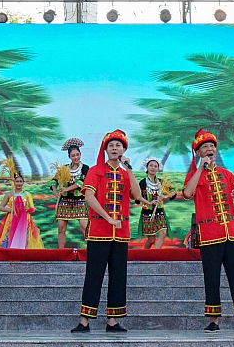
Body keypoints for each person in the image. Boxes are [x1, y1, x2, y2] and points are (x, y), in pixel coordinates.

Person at [183, 129, 234, 334]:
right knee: (211, 276)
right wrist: (200, 169)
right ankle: (213, 319)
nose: (210, 150)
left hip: (231, 233)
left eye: (212, 147)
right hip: (209, 234)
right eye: (205, 147)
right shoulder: (194, 175)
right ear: (199, 152)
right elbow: (187, 192)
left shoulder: (225, 174)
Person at [73, 129, 147, 333]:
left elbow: (137, 194)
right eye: (111, 146)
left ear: (124, 150)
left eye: (119, 146)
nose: (115, 148)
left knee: (118, 276)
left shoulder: (125, 173)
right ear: (105, 149)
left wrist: (129, 169)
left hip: (121, 234)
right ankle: (84, 321)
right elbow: (89, 197)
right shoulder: (95, 171)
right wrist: (107, 218)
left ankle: (113, 321)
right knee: (94, 275)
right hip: (98, 230)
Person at [0, 170, 44, 249]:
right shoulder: (9, 194)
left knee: (24, 237)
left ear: (23, 182)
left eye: (20, 181)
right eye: (17, 181)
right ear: (13, 182)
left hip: (24, 219)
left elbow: (32, 208)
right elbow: (1, 207)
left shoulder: (27, 194)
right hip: (11, 218)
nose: (19, 183)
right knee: (9, 235)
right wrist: (11, 210)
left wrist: (26, 209)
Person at [53, 138, 90, 249]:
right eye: (73, 155)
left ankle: (91, 252)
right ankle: (61, 252)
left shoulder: (85, 168)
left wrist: (66, 189)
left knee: (85, 227)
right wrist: (56, 192)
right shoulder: (64, 169)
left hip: (80, 201)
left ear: (80, 154)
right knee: (61, 228)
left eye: (77, 155)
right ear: (69, 156)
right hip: (64, 202)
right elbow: (53, 181)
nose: (76, 157)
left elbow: (81, 182)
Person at [138, 158, 170, 249]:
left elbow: (172, 193)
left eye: (155, 166)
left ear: (158, 169)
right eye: (151, 165)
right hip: (148, 212)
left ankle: (155, 255)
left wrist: (164, 197)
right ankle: (144, 256)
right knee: (151, 240)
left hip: (159, 211)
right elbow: (138, 197)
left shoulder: (161, 182)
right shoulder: (143, 182)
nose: (153, 168)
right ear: (147, 167)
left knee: (163, 233)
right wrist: (149, 202)